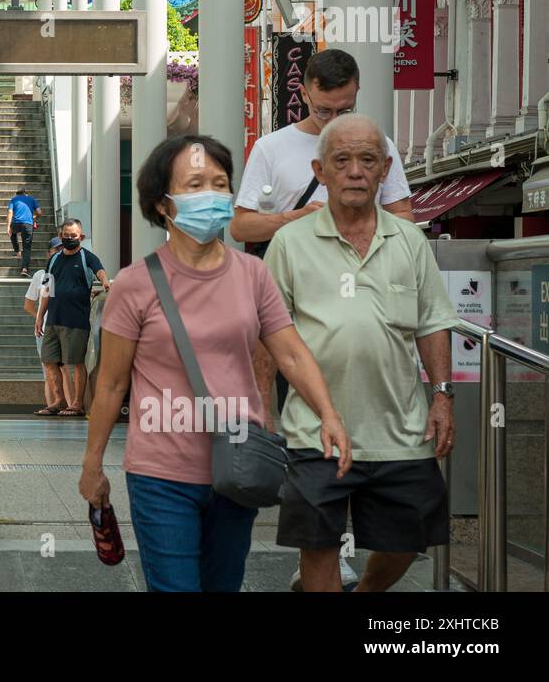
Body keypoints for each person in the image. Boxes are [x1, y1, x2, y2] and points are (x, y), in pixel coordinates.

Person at [80, 134, 351, 593]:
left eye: (220, 183)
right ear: (163, 205)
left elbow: (290, 351)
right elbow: (110, 386)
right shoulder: (133, 284)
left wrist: (328, 413)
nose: (211, 194)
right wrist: (92, 465)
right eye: (195, 184)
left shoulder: (253, 274)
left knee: (223, 584)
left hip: (238, 467)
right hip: (160, 470)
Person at [265, 114, 457, 593]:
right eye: (342, 160)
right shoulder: (289, 242)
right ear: (320, 170)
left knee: (409, 537)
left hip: (401, 428)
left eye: (367, 160)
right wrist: (261, 412)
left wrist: (442, 396)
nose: (355, 171)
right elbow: (265, 335)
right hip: (314, 431)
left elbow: (433, 323)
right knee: (318, 542)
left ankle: (368, 592)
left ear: (384, 168)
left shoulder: (410, 240)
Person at [231, 48, 415, 412]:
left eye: (344, 111)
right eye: (323, 110)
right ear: (303, 93)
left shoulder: (379, 146)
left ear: (358, 92)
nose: (333, 120)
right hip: (296, 291)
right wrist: (293, 219)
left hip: (364, 288)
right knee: (296, 382)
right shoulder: (271, 148)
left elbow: (403, 216)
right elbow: (240, 225)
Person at [37, 218, 109, 417]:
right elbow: (46, 288)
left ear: (81, 237)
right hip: (53, 320)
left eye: (73, 236)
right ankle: (58, 400)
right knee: (49, 361)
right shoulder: (53, 260)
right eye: (66, 236)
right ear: (60, 236)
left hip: (76, 320)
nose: (69, 239)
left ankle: (76, 404)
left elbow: (100, 271)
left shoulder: (88, 257)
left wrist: (105, 283)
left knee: (75, 362)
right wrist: (40, 316)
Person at [27, 236, 64, 415]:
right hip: (44, 330)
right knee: (48, 370)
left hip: (64, 325)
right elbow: (28, 304)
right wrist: (40, 318)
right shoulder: (41, 275)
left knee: (64, 369)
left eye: (61, 250)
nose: (58, 253)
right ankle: (51, 407)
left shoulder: (67, 273)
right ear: (48, 253)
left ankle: (68, 406)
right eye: (55, 250)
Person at [7, 187, 41, 277]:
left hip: (16, 223)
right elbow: (40, 212)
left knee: (12, 233)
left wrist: (8, 225)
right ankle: (24, 269)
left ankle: (17, 251)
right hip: (27, 224)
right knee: (27, 247)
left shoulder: (14, 199)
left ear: (17, 194)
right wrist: (35, 217)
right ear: (25, 193)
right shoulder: (31, 199)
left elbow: (10, 212)